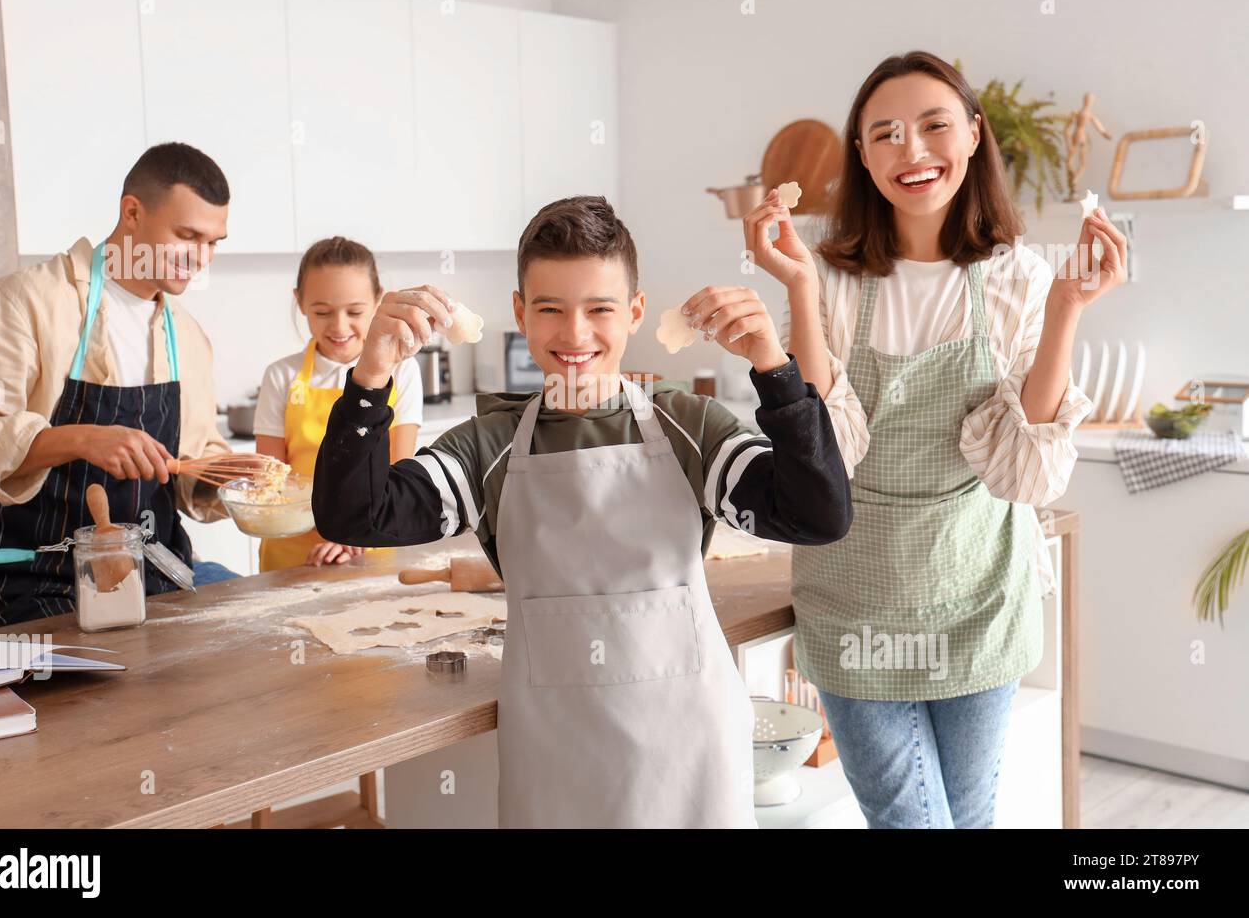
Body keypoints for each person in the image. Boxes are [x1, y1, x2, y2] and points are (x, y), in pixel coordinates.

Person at [312, 196, 852, 827]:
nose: (574, 335)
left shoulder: (690, 431)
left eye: (599, 309)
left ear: (635, 312)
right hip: (556, 767)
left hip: (689, 760)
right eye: (550, 309)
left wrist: (775, 369)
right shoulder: (489, 446)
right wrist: (371, 373)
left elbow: (819, 517)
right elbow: (356, 517)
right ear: (520, 312)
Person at [746, 51, 1125, 828]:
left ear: (974, 135)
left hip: (979, 597)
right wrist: (801, 294)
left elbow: (1025, 472)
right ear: (861, 155)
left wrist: (1066, 312)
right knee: (907, 819)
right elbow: (828, 452)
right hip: (854, 600)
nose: (911, 152)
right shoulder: (827, 278)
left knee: (970, 814)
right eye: (884, 134)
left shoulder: (1020, 277)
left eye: (932, 126)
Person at [0, 142, 242, 628]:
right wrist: (78, 439)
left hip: (154, 573)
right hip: (33, 575)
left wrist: (230, 479)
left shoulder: (187, 336)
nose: (201, 258)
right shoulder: (26, 303)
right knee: (100, 689)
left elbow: (191, 459)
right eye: (187, 236)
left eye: (213, 242)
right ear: (132, 212)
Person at [253, 236, 423, 570]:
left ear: (378, 300)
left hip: (371, 547)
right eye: (322, 311)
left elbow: (399, 475)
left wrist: (350, 533)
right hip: (291, 556)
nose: (339, 326)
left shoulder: (401, 372)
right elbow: (272, 483)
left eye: (355, 311)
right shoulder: (280, 377)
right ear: (300, 302)